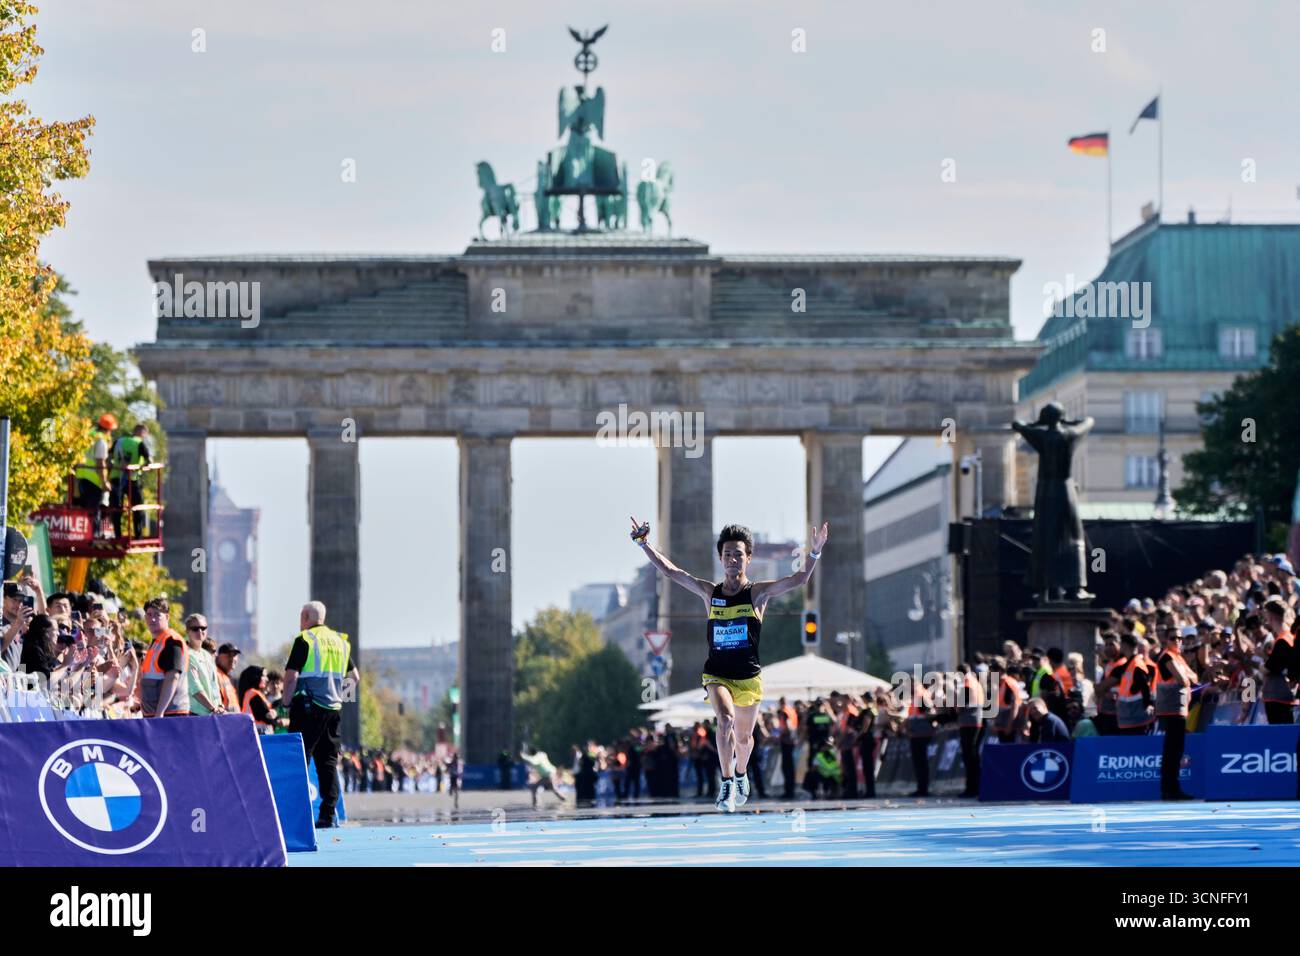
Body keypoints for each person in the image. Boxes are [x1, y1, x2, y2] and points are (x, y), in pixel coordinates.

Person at [631, 515, 828, 813]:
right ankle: (725, 785)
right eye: (727, 555)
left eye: (738, 554)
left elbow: (799, 580)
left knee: (745, 739)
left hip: (749, 678)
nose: (732, 559)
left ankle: (740, 773)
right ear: (721, 559)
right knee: (725, 721)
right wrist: (644, 543)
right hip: (717, 674)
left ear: (748, 558)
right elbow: (671, 572)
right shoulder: (711, 593)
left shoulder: (759, 593)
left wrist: (814, 552)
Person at [281, 600, 358, 828]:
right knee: (328, 762)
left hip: (308, 708)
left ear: (305, 616)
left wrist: (285, 702)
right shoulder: (340, 642)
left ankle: (296, 813)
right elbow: (354, 677)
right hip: (333, 710)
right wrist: (339, 697)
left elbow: (291, 676)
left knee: (298, 759)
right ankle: (327, 814)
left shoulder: (305, 639)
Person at [1155, 627, 1196, 800]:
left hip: (1179, 709)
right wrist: (1188, 679)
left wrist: (1188, 678)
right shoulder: (1167, 657)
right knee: (1172, 751)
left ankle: (1172, 787)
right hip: (1171, 709)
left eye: (1180, 638)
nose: (1178, 641)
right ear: (1166, 639)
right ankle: (1169, 789)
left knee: (1175, 750)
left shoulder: (1178, 657)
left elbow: (1194, 677)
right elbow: (1183, 679)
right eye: (1174, 638)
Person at [138, 597, 189, 717]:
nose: (152, 619)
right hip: (158, 715)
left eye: (157, 614)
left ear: (167, 617)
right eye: (149, 615)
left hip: (169, 715)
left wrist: (159, 713)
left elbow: (172, 678)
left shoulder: (171, 641)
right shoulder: (157, 642)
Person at [73, 413, 117, 536]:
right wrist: (104, 483)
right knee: (94, 511)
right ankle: (94, 535)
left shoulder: (88, 436)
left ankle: (82, 535)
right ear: (108, 430)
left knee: (83, 510)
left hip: (81, 478)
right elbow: (100, 463)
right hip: (93, 481)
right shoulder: (101, 442)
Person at [112, 422, 153, 537]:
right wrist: (142, 468)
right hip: (132, 479)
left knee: (116, 508)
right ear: (141, 432)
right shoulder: (139, 443)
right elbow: (149, 462)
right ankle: (138, 535)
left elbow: (109, 457)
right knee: (137, 508)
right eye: (145, 434)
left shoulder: (119, 441)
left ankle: (117, 534)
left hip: (115, 478)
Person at [1261, 597, 1296, 724]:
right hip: (1284, 695)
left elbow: (1269, 668)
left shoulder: (1283, 640)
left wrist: (1262, 666)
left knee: (1281, 738)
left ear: (1271, 616)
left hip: (1279, 697)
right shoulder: (1288, 637)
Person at [1114, 633, 1154, 735]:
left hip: (1137, 717)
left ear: (1125, 645)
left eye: (1121, 644)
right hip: (1129, 717)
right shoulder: (1128, 664)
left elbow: (1145, 686)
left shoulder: (1136, 664)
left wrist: (1148, 704)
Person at [183, 613, 223, 715]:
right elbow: (195, 688)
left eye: (203, 628)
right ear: (187, 631)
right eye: (195, 628)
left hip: (212, 713)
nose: (200, 631)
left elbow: (214, 685)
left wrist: (219, 705)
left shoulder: (207, 655)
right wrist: (213, 708)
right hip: (194, 714)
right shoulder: (186, 654)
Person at [955, 663, 984, 797]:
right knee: (973, 755)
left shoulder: (965, 685)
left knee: (969, 757)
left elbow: (959, 708)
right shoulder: (975, 683)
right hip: (976, 721)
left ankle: (971, 788)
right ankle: (977, 787)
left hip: (967, 722)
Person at [905, 678, 936, 797]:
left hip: (922, 734)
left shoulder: (922, 696)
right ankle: (920, 788)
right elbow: (911, 716)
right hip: (915, 734)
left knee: (922, 762)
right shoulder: (915, 697)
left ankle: (924, 788)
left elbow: (931, 713)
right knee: (918, 762)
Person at [238, 665, 277, 733]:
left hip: (253, 732)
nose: (267, 679)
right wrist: (275, 716)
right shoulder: (254, 695)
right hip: (260, 733)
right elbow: (266, 717)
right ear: (255, 677)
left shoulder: (249, 694)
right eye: (263, 676)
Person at [214, 643, 241, 711]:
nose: (232, 659)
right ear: (218, 657)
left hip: (232, 717)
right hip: (223, 717)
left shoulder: (228, 677)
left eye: (235, 655)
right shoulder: (215, 674)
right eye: (229, 655)